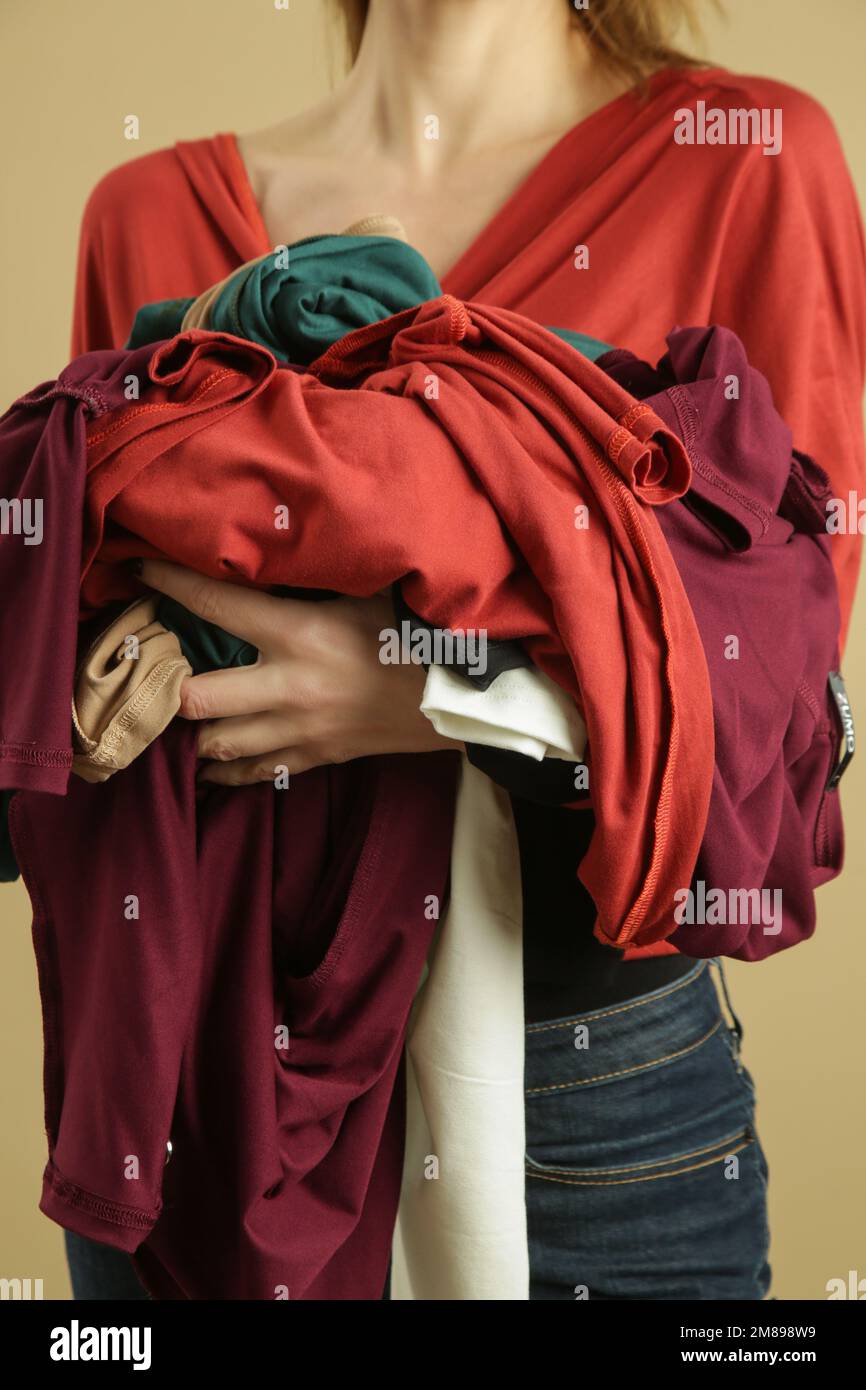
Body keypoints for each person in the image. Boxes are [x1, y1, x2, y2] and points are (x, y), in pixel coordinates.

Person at [63, 0, 865, 1299]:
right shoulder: (144, 211)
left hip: (589, 1101)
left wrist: (424, 694)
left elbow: (777, 715)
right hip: (195, 1098)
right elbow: (103, 623)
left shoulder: (751, 157)